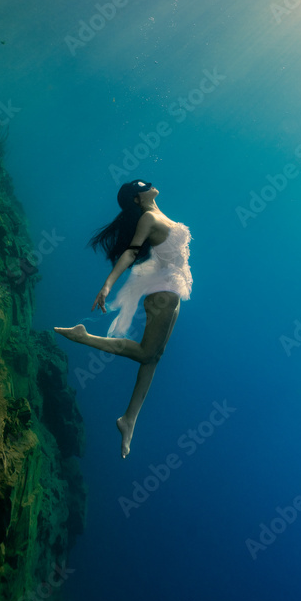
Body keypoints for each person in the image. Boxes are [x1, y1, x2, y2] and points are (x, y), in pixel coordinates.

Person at [54, 180, 192, 458]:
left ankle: (129, 420)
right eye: (143, 185)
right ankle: (84, 336)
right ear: (137, 198)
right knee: (145, 353)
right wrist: (107, 285)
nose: (150, 184)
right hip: (163, 292)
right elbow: (131, 251)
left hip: (174, 290)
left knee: (155, 357)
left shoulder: (157, 214)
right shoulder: (149, 218)